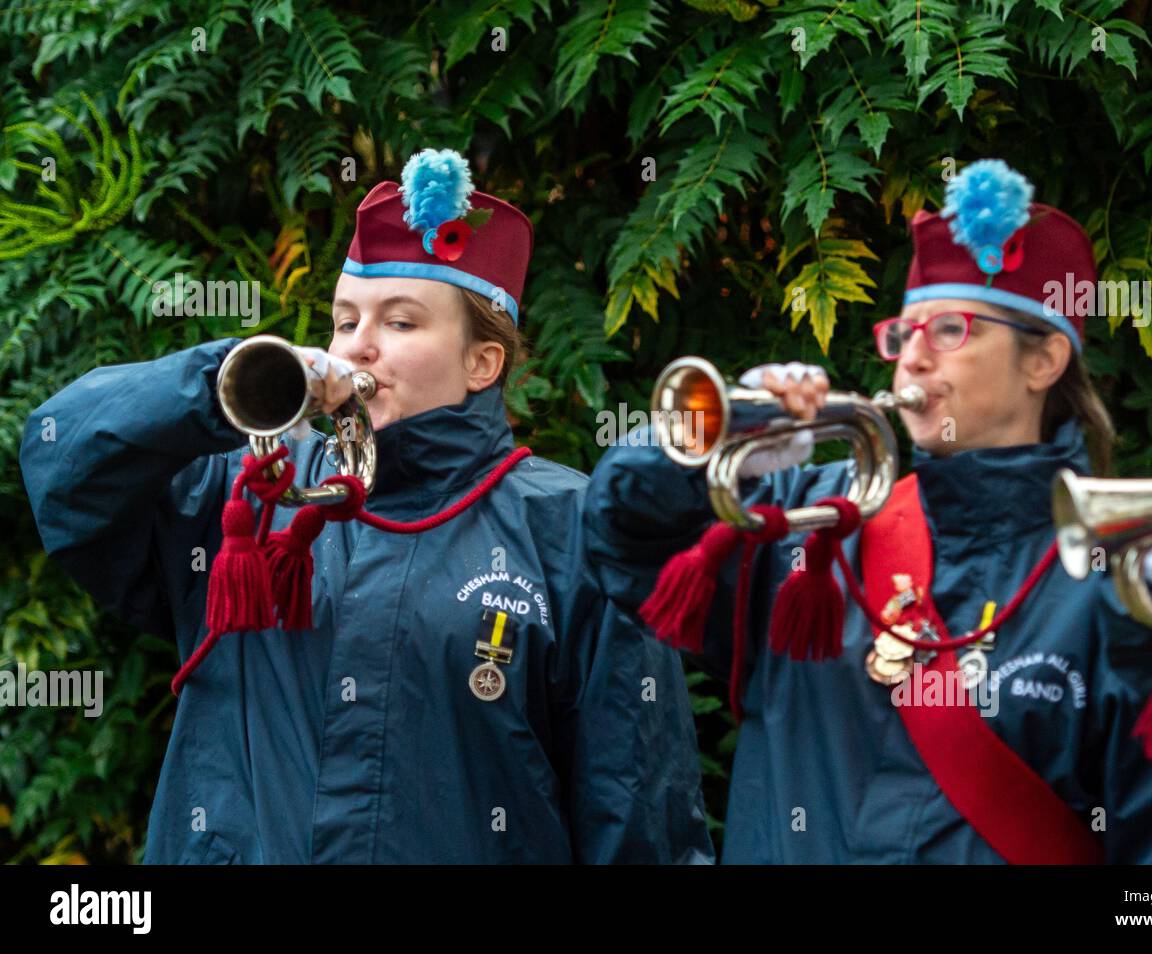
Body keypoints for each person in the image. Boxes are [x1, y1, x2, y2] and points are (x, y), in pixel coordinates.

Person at [583, 159, 1152, 863]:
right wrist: (706, 447)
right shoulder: (811, 519)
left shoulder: (1131, 576)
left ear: (1044, 361)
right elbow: (622, 539)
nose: (912, 360)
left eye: (950, 330)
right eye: (904, 334)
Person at [20, 147, 712, 864]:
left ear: (483, 362)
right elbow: (62, 465)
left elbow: (640, 820)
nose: (359, 348)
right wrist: (224, 386)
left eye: (401, 323)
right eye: (344, 321)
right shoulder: (246, 497)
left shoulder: (572, 529)